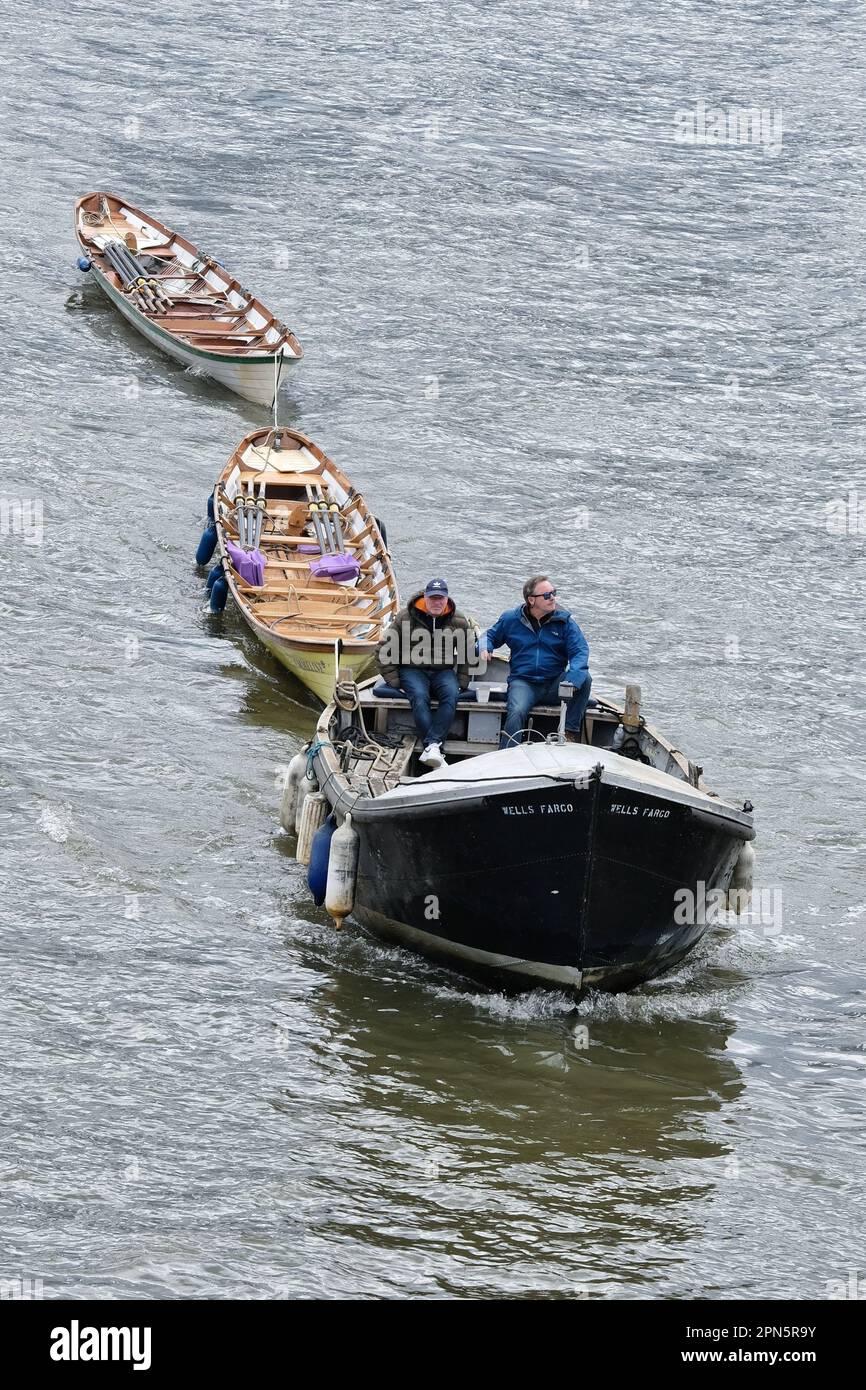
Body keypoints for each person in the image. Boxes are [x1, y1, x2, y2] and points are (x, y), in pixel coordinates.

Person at [481, 576, 591, 748]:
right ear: (531, 600)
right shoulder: (511, 619)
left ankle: (569, 732)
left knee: (585, 679)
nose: (553, 598)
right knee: (516, 712)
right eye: (547, 595)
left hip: (555, 683)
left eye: (554, 593)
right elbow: (489, 636)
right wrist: (484, 647)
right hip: (524, 682)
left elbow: (580, 651)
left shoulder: (565, 621)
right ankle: (506, 754)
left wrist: (573, 680)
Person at [376, 578, 474, 768]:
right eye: (433, 598)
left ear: (447, 599)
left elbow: (468, 654)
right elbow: (382, 650)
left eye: (441, 598)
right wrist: (394, 682)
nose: (437, 602)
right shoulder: (405, 617)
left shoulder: (459, 621)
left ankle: (431, 745)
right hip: (412, 669)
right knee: (419, 696)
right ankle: (433, 746)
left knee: (452, 694)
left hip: (442, 671)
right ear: (425, 598)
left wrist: (463, 682)